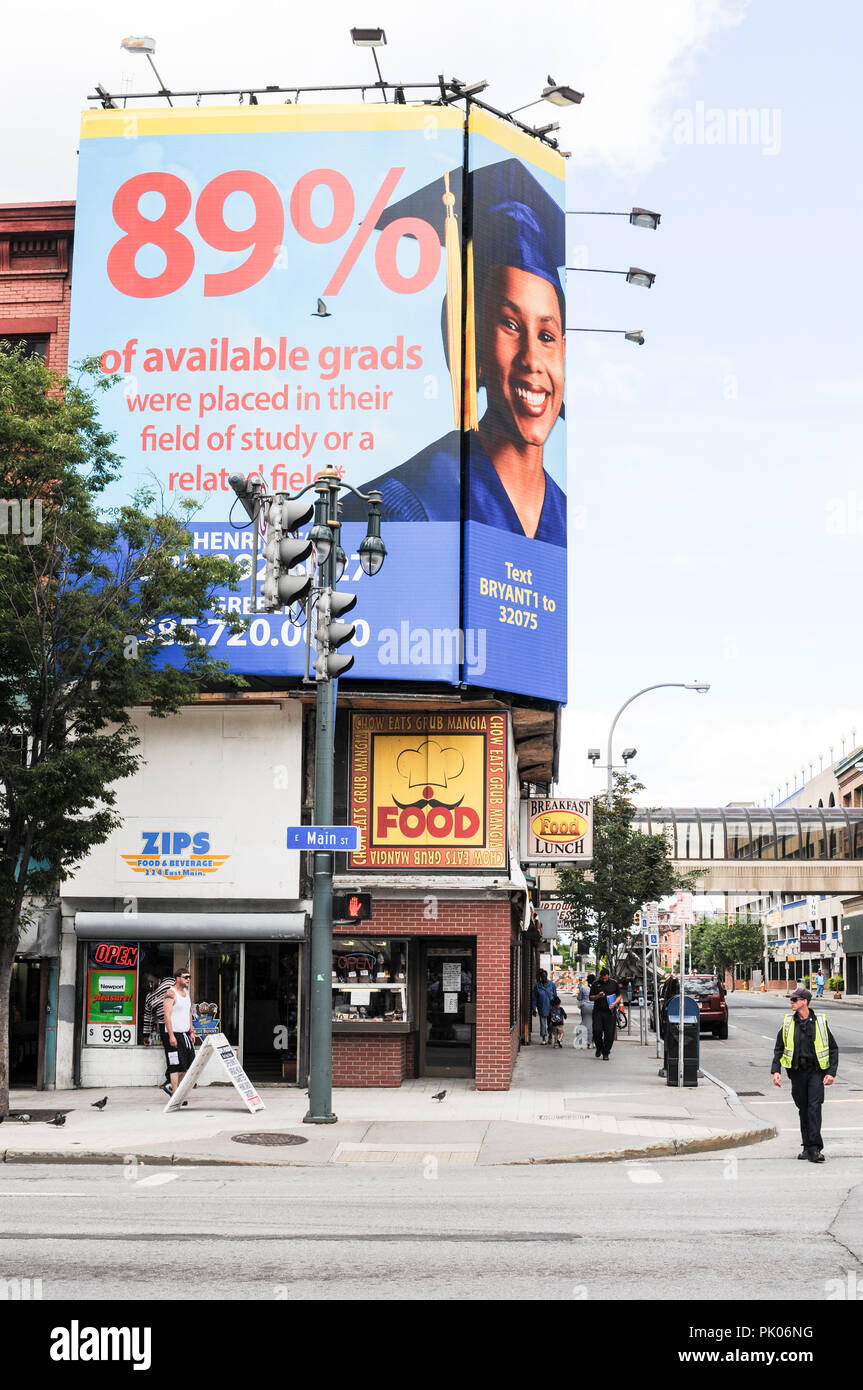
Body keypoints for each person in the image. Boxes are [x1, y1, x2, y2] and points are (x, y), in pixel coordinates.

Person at [340, 158, 566, 546]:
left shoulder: (564, 521)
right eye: (510, 325)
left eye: (547, 335)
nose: (532, 359)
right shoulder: (402, 507)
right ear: (469, 342)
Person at [771, 984, 838, 1162]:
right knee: (803, 1109)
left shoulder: (820, 1022)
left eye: (794, 999)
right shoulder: (788, 1022)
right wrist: (776, 1071)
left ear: (804, 1002)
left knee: (814, 1107)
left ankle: (815, 1148)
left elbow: (833, 1048)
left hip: (815, 1071)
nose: (791, 1002)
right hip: (797, 1073)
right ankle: (807, 1147)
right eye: (791, 1000)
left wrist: (831, 1072)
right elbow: (779, 1048)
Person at [161, 967, 197, 1096]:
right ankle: (176, 1094)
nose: (188, 979)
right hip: (174, 1034)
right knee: (175, 1066)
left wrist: (191, 1030)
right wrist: (171, 1035)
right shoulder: (170, 993)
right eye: (185, 977)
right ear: (177, 978)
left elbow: (188, 1012)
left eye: (189, 977)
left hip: (185, 1034)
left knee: (189, 1065)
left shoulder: (186, 993)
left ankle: (173, 1087)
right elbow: (166, 1015)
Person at [144, 974, 176, 1092]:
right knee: (170, 1054)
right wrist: (146, 1035)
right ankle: (170, 1079)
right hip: (163, 1026)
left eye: (149, 983)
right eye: (147, 986)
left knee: (182, 1051)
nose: (149, 986)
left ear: (152, 979)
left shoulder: (169, 981)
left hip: (176, 1023)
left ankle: (187, 1078)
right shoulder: (149, 997)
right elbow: (148, 1016)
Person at [590, 968, 623, 1061]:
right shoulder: (595, 984)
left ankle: (606, 1052)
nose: (604, 979)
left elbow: (619, 995)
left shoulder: (613, 983)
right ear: (600, 976)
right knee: (597, 1031)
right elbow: (591, 997)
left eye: (606, 978)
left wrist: (614, 1003)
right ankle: (599, 1048)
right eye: (603, 978)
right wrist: (598, 996)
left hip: (610, 1012)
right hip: (598, 1012)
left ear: (608, 976)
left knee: (609, 1033)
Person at [532, 969, 557, 1045]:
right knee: (543, 1024)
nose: (544, 978)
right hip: (542, 1007)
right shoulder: (537, 986)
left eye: (545, 976)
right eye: (542, 976)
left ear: (547, 976)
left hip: (551, 1007)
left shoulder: (552, 985)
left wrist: (556, 1007)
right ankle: (543, 1038)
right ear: (540, 977)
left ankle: (550, 1036)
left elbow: (555, 996)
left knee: (550, 1023)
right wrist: (534, 1009)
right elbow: (534, 998)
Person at [578, 974, 596, 1050]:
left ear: (587, 980)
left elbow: (579, 998)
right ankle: (593, 1042)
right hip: (595, 1007)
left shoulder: (583, 988)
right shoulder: (597, 988)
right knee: (594, 1025)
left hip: (585, 1008)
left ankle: (586, 1042)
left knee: (586, 1024)